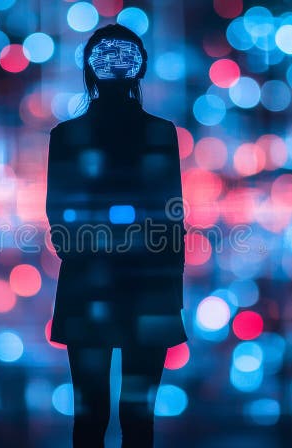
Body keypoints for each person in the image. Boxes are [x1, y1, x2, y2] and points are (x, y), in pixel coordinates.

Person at [45, 24, 188, 448]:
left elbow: (58, 217)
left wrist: (84, 252)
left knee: (89, 416)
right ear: (138, 70)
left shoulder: (66, 136)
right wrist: (169, 295)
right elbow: (172, 218)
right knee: (138, 417)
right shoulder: (161, 133)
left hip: (87, 291)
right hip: (149, 291)